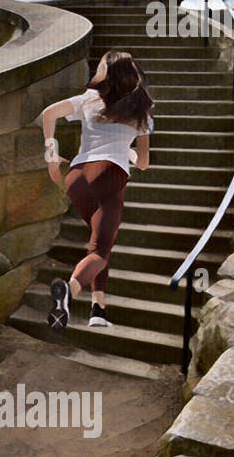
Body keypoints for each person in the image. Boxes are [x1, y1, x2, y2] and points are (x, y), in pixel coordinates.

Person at [38, 51, 153, 330]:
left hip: (77, 178)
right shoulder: (142, 112)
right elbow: (145, 163)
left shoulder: (88, 100)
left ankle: (97, 310)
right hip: (109, 175)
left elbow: (48, 114)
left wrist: (51, 153)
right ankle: (69, 291)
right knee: (100, 250)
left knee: (99, 243)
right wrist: (128, 153)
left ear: (106, 74)